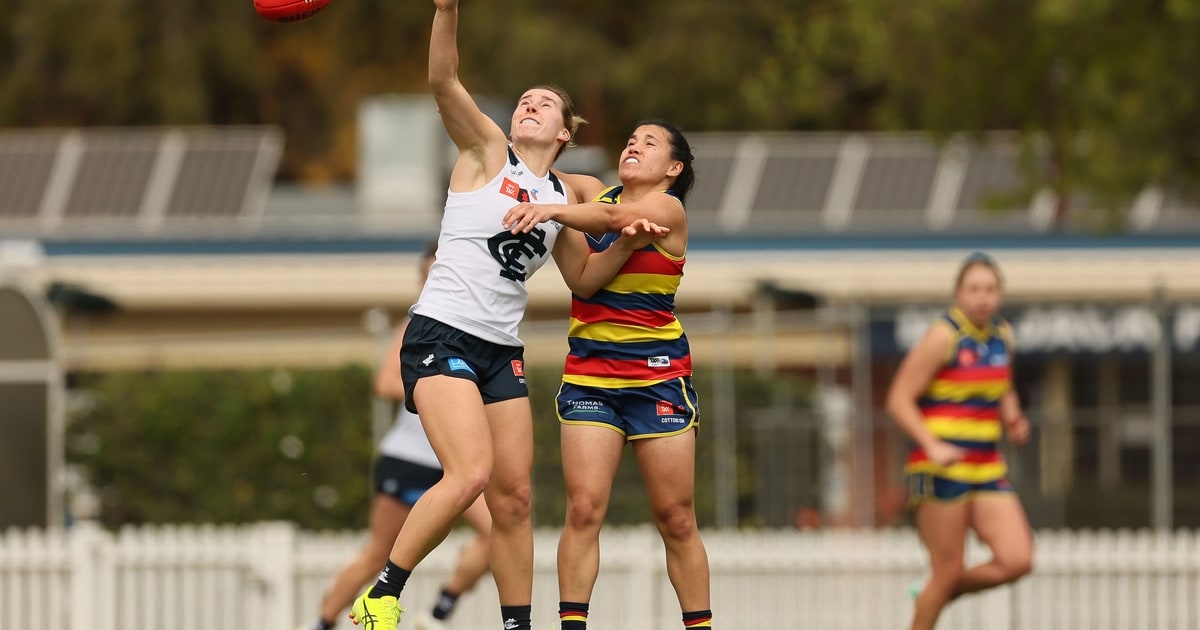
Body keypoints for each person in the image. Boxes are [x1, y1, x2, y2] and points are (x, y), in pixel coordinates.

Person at [349, 2, 662, 628]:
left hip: (499, 348)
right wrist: (446, 10)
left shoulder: (560, 195)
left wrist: (627, 241)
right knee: (469, 474)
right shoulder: (488, 151)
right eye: (523, 99)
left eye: (543, 104)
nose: (528, 105)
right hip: (441, 331)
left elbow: (584, 276)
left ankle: (516, 624)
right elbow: (443, 81)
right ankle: (382, 593)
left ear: (564, 132)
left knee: (514, 501)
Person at [503, 120, 714, 630]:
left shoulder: (668, 209)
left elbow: (610, 215)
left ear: (673, 168)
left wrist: (551, 210)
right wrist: (541, 134)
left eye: (649, 143)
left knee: (677, 519)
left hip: (658, 380)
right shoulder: (592, 197)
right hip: (591, 378)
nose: (633, 146)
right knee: (583, 511)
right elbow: (539, 173)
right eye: (630, 140)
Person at [304, 243, 490, 630]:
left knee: (501, 530)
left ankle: (439, 612)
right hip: (410, 458)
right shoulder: (417, 327)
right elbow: (387, 381)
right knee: (378, 555)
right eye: (429, 275)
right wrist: (440, 389)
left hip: (453, 463)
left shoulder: (481, 326)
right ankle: (321, 623)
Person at [884, 252, 1034, 630]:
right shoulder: (943, 336)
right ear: (958, 293)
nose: (982, 297)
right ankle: (936, 591)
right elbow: (898, 400)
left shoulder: (1003, 335)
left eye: (990, 289)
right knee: (948, 569)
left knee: (1018, 560)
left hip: (986, 468)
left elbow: (1003, 388)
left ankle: (935, 592)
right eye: (974, 289)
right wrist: (932, 445)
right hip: (940, 468)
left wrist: (1013, 418)